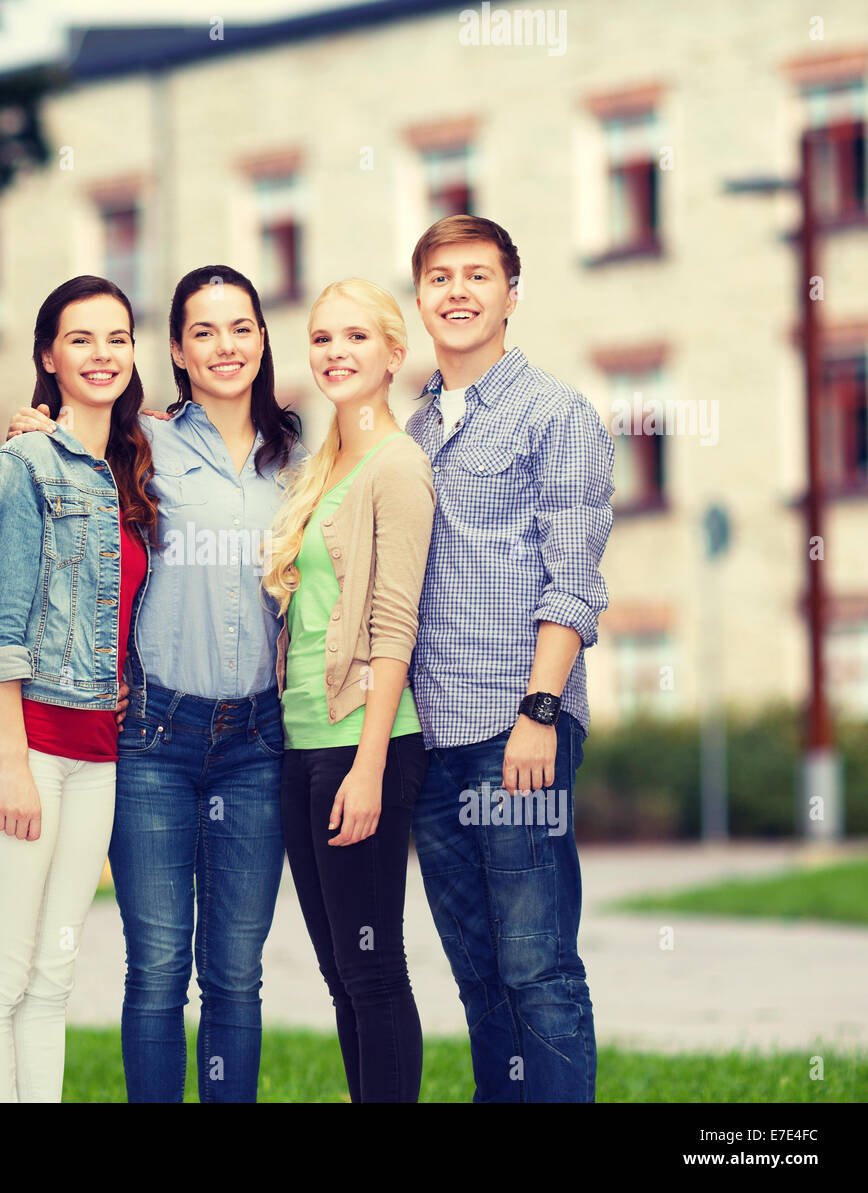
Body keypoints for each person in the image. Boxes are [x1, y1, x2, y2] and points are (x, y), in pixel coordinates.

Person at [8, 264, 308, 1102]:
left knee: (236, 975)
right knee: (158, 969)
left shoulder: (299, 460)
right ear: (174, 349)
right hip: (153, 738)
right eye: (202, 331)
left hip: (259, 740)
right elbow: (56, 456)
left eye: (240, 327)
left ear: (261, 338)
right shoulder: (137, 439)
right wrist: (30, 426)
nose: (224, 346)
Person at [404, 214, 614, 1102]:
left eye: (477, 276)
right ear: (420, 298)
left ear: (511, 295)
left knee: (537, 969)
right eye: (440, 277)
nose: (457, 291)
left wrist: (538, 712)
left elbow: (574, 581)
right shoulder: (410, 430)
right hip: (431, 739)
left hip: (514, 727)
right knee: (480, 974)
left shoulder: (555, 415)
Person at [0, 276, 157, 1102]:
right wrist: (8, 761)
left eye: (117, 337)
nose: (102, 354)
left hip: (97, 754)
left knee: (54, 970)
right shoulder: (23, 462)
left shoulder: (130, 474)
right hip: (23, 744)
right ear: (48, 355)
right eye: (81, 338)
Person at [263, 279, 434, 1103]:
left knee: (372, 969)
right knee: (339, 970)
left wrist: (368, 766)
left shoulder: (398, 467)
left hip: (363, 744)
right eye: (324, 338)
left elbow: (396, 625)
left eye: (356, 338)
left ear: (393, 355)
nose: (336, 352)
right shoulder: (324, 464)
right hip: (302, 747)